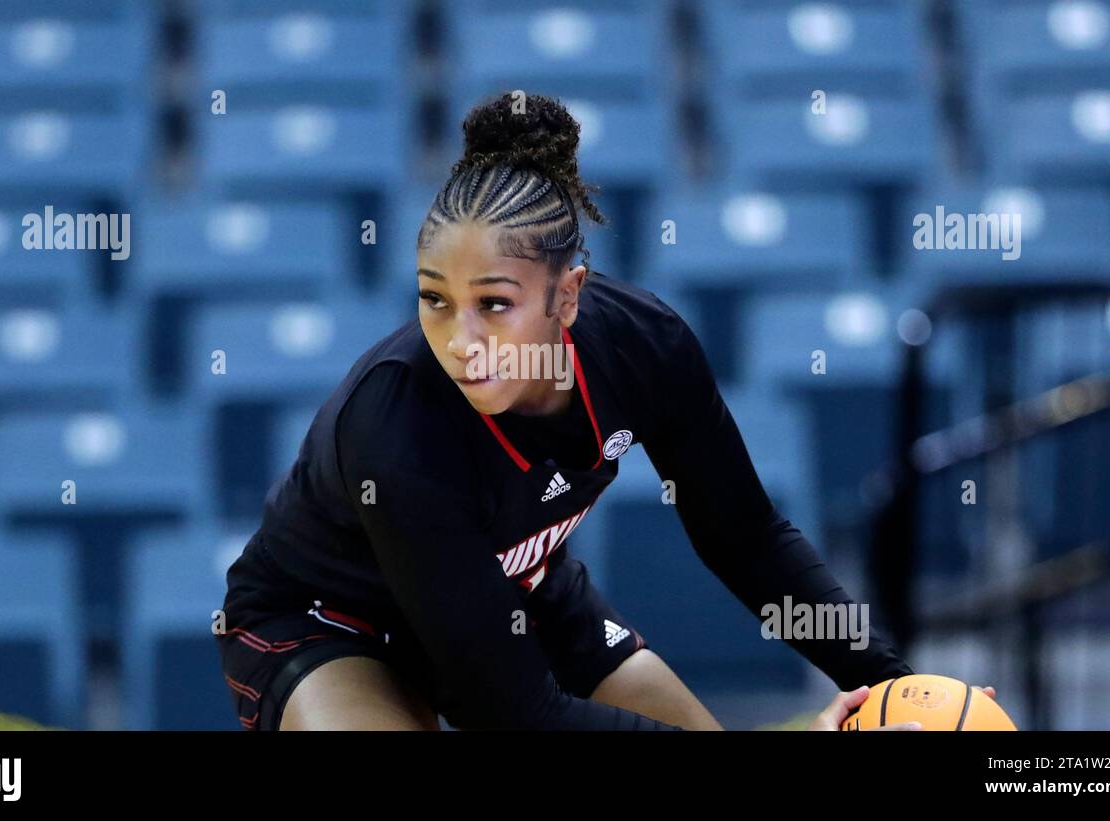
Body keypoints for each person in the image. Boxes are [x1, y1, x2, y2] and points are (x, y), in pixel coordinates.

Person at [216, 91, 921, 731]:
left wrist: (897, 689)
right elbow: (521, 716)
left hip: (516, 590)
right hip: (328, 622)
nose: (461, 342)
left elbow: (747, 537)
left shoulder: (648, 347)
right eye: (435, 299)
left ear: (568, 294)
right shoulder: (397, 422)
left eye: (494, 304)